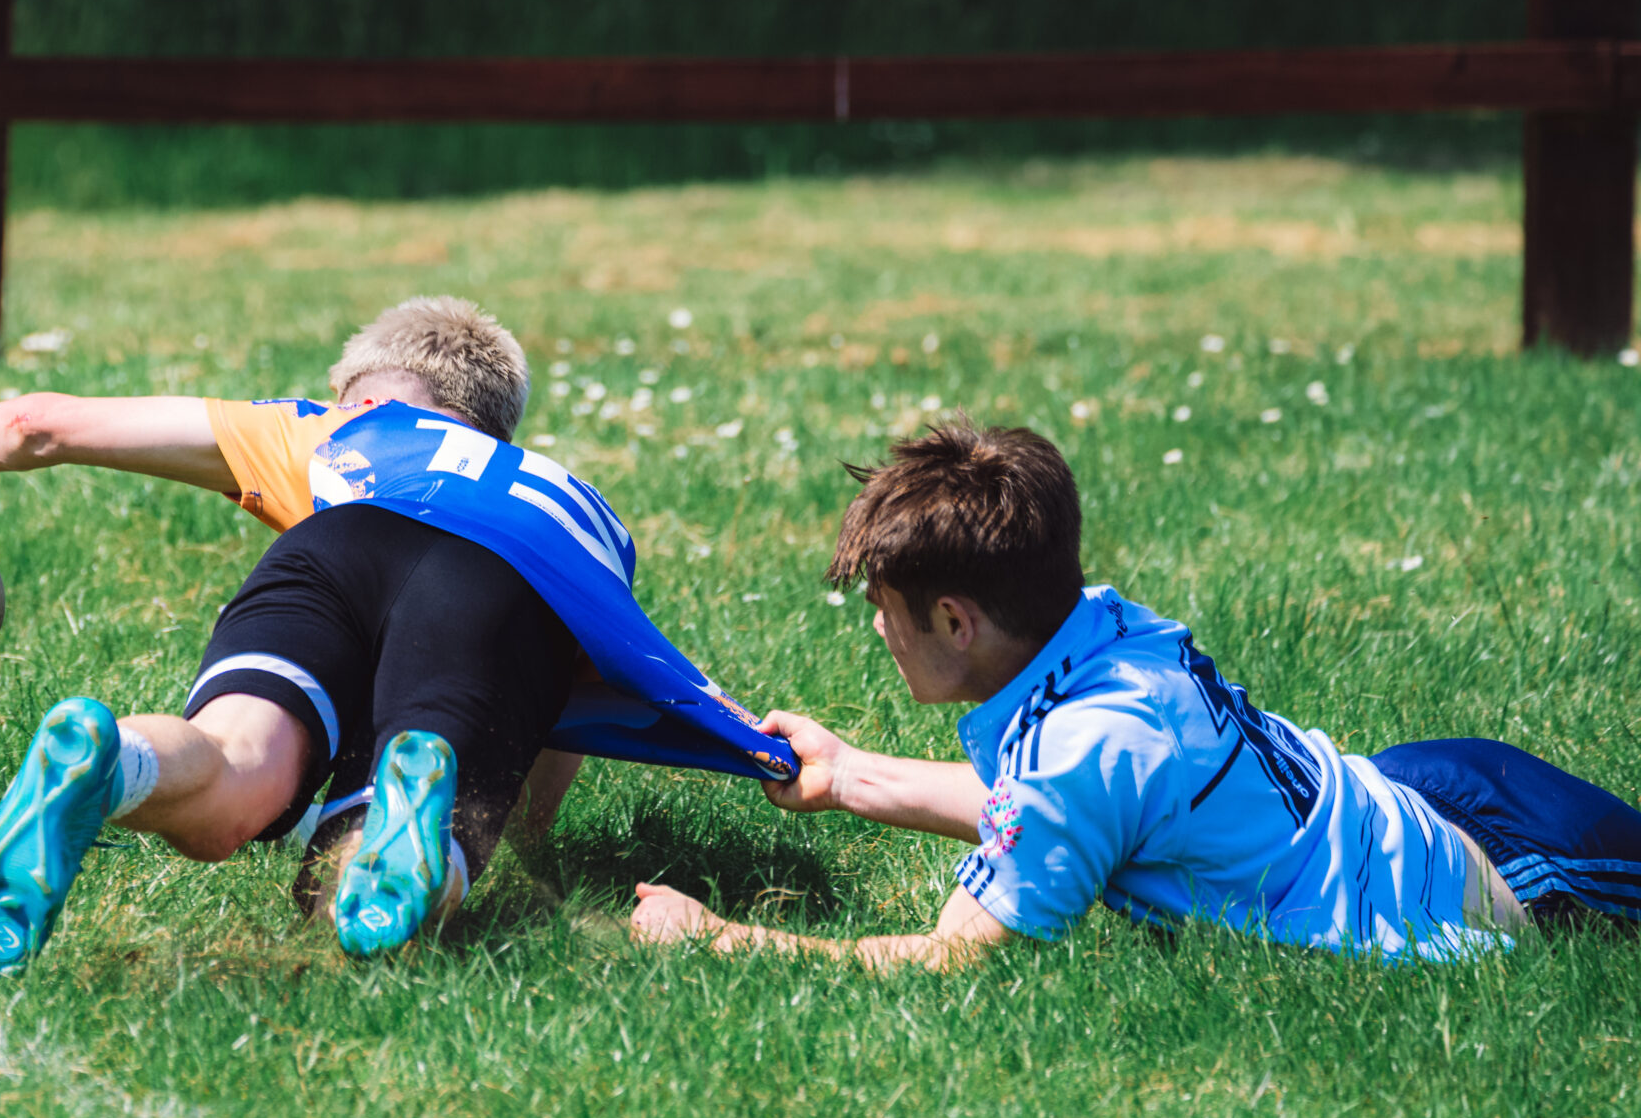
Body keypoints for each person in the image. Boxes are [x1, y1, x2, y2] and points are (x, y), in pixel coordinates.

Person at [0, 296, 790, 972]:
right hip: (506, 584)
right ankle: (415, 817)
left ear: (365, 394)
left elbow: (33, 423)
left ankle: (117, 763)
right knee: (354, 903)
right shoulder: (576, 507)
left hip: (337, 547)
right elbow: (572, 689)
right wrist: (505, 841)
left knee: (235, 767)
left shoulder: (329, 430)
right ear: (496, 426)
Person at [631, 421, 1641, 968]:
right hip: (1411, 790)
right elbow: (1043, 814)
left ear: (956, 621)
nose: (875, 625)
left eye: (887, 606)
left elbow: (952, 960)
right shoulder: (1091, 632)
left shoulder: (1081, 755)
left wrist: (722, 937)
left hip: (1497, 867)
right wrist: (847, 775)